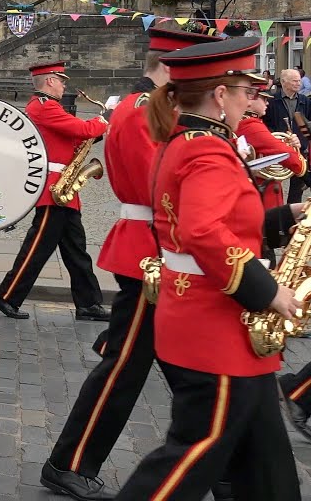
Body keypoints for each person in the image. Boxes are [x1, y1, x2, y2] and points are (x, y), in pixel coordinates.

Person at [113, 36, 300, 501]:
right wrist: (267, 291)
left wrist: (281, 219)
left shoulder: (185, 141)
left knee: (267, 465)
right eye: (245, 92)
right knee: (193, 453)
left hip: (204, 320)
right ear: (221, 95)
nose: (250, 101)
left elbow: (199, 223)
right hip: (215, 327)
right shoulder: (208, 150)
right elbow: (201, 231)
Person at [42, 27, 218, 501]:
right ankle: (69, 461)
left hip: (159, 247)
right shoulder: (145, 111)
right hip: (152, 249)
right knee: (124, 366)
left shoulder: (149, 107)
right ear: (171, 69)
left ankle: (221, 462)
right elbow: (160, 184)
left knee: (187, 366)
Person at [0, 61, 109, 321]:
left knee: (76, 250)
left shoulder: (50, 108)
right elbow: (81, 129)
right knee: (37, 249)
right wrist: (103, 120)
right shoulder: (43, 107)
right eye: (61, 79)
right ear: (49, 80)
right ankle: (6, 296)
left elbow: (74, 137)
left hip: (63, 187)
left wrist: (94, 134)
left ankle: (88, 304)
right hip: (53, 189)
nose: (64, 84)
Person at [240, 84, 307, 210]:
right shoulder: (250, 125)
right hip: (263, 194)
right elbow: (285, 153)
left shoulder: (251, 122)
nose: (267, 103)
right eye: (264, 99)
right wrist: (306, 173)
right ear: (250, 98)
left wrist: (291, 144)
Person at [262, 68, 311, 203]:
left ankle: (292, 218)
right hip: (278, 149)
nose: (298, 84)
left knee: (297, 189)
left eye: (299, 81)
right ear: (284, 82)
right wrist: (275, 137)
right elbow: (265, 123)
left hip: (299, 149)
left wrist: (305, 141)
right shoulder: (271, 101)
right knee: (275, 186)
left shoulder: (305, 101)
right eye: (295, 81)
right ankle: (278, 213)